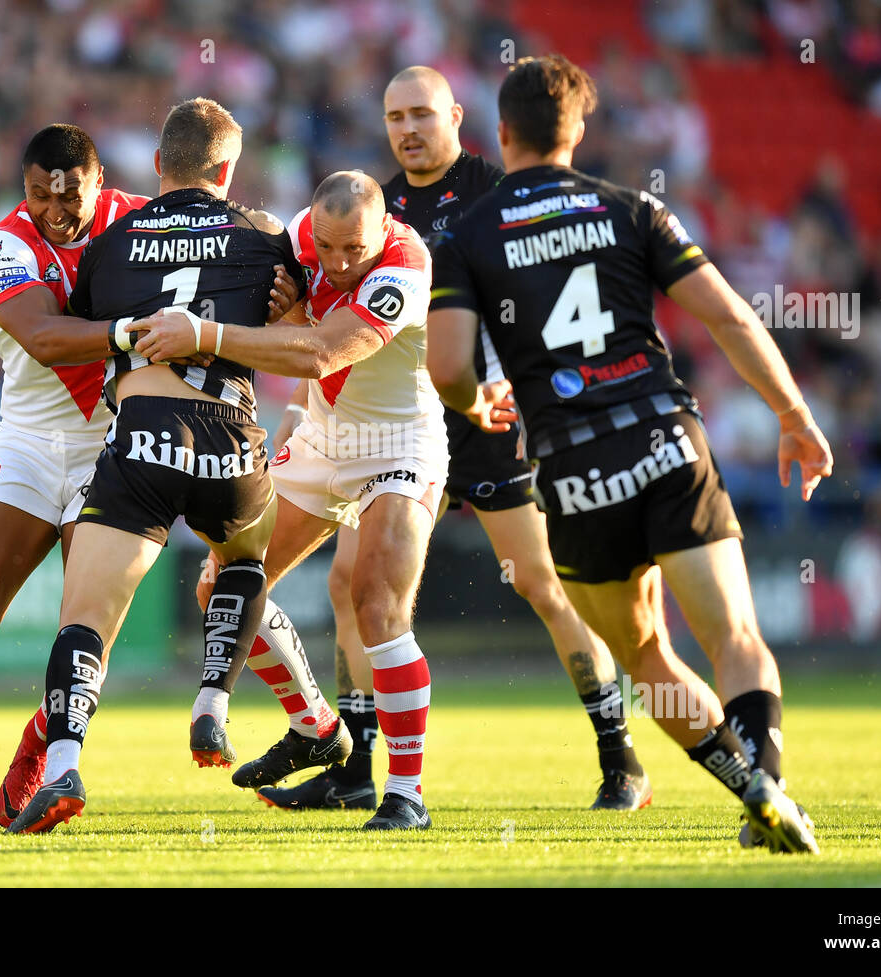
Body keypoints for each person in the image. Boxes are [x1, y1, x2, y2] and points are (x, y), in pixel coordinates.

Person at [0, 121, 294, 831]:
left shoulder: (141, 220)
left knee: (87, 629)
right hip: (32, 442)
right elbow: (43, 337)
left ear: (101, 183)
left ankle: (42, 743)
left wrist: (271, 284)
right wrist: (137, 330)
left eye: (68, 195)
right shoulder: (3, 243)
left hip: (123, 439)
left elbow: (243, 240)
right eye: (39, 194)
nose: (53, 210)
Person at [427, 55, 833, 853]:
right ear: (578, 131)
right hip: (663, 437)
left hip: (572, 469)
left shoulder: (467, 236)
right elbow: (730, 319)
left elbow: (447, 366)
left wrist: (474, 402)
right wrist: (792, 413)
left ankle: (747, 786)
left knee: (645, 657)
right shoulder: (632, 208)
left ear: (499, 133)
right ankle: (771, 780)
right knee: (737, 641)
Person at [263, 65, 649, 813]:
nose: (408, 128)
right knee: (350, 585)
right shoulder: (369, 210)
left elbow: (553, 305)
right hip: (397, 430)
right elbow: (333, 329)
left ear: (456, 116)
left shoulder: (498, 194)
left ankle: (619, 755)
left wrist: (541, 395)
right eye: (395, 116)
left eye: (422, 114)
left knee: (543, 583)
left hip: (489, 421)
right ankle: (357, 767)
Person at [135, 170, 482, 830]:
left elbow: (323, 352)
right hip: (323, 437)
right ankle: (317, 726)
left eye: (356, 248)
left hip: (399, 446)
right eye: (327, 248)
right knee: (221, 587)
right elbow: (257, 288)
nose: (341, 262)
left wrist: (204, 335)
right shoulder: (299, 237)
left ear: (385, 229)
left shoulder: (406, 268)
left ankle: (405, 793)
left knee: (376, 604)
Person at [6, 98, 301, 833]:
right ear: (227, 169)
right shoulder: (264, 237)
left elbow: (77, 333)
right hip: (231, 438)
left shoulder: (108, 246)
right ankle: (213, 699)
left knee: (85, 620)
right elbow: (297, 323)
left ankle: (67, 764)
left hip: (140, 437)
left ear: (156, 167)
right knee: (242, 558)